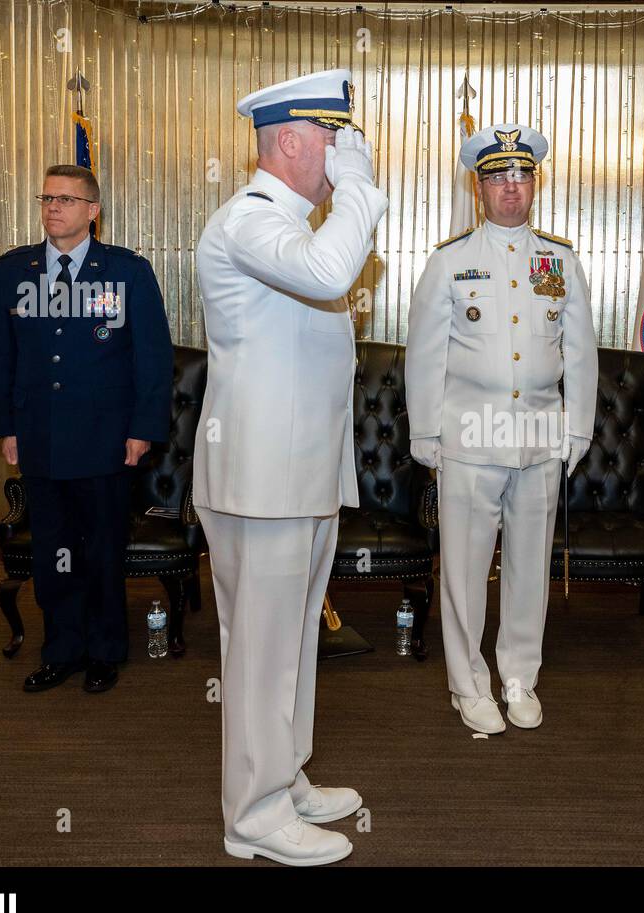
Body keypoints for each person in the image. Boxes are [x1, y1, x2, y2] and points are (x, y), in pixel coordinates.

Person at [193, 68, 388, 867]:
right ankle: (255, 815)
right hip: (260, 478)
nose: (343, 152)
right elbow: (330, 275)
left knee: (293, 639)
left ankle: (286, 774)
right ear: (294, 142)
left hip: (297, 476)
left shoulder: (292, 225)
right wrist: (362, 191)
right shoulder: (250, 220)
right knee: (260, 649)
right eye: (334, 139)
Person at [405, 124, 599, 735]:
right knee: (463, 568)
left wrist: (579, 432)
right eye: (497, 177)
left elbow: (582, 352)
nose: (510, 188)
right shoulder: (450, 261)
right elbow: (425, 354)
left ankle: (519, 675)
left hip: (540, 439)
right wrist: (425, 435)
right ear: (479, 186)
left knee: (528, 568)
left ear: (535, 183)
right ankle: (468, 684)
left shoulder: (560, 260)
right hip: (468, 440)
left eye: (521, 175)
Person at [0, 164, 173, 694]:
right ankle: (61, 650)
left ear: (93, 211)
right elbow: (5, 354)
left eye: (67, 199)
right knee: (54, 552)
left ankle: (105, 651)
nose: (53, 207)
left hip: (106, 439)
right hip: (40, 436)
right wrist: (7, 424)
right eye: (46, 196)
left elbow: (152, 360)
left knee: (101, 550)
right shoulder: (11, 270)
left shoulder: (128, 272)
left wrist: (143, 429)